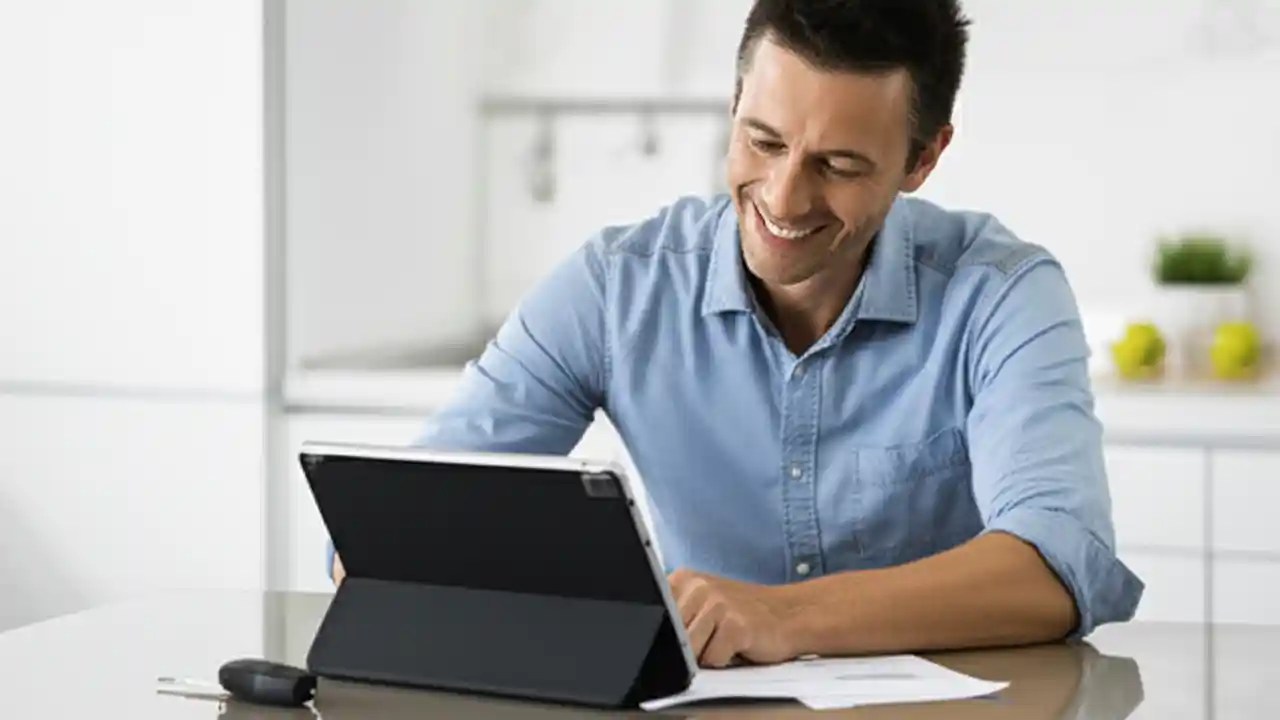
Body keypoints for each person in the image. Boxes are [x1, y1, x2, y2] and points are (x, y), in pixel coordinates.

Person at [331, 0, 1143, 667]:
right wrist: (379, 556)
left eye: (840, 166)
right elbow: (402, 523)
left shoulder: (1002, 294)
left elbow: (1057, 564)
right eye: (764, 141)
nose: (786, 198)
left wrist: (783, 618)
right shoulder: (618, 286)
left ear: (922, 159)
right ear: (732, 108)